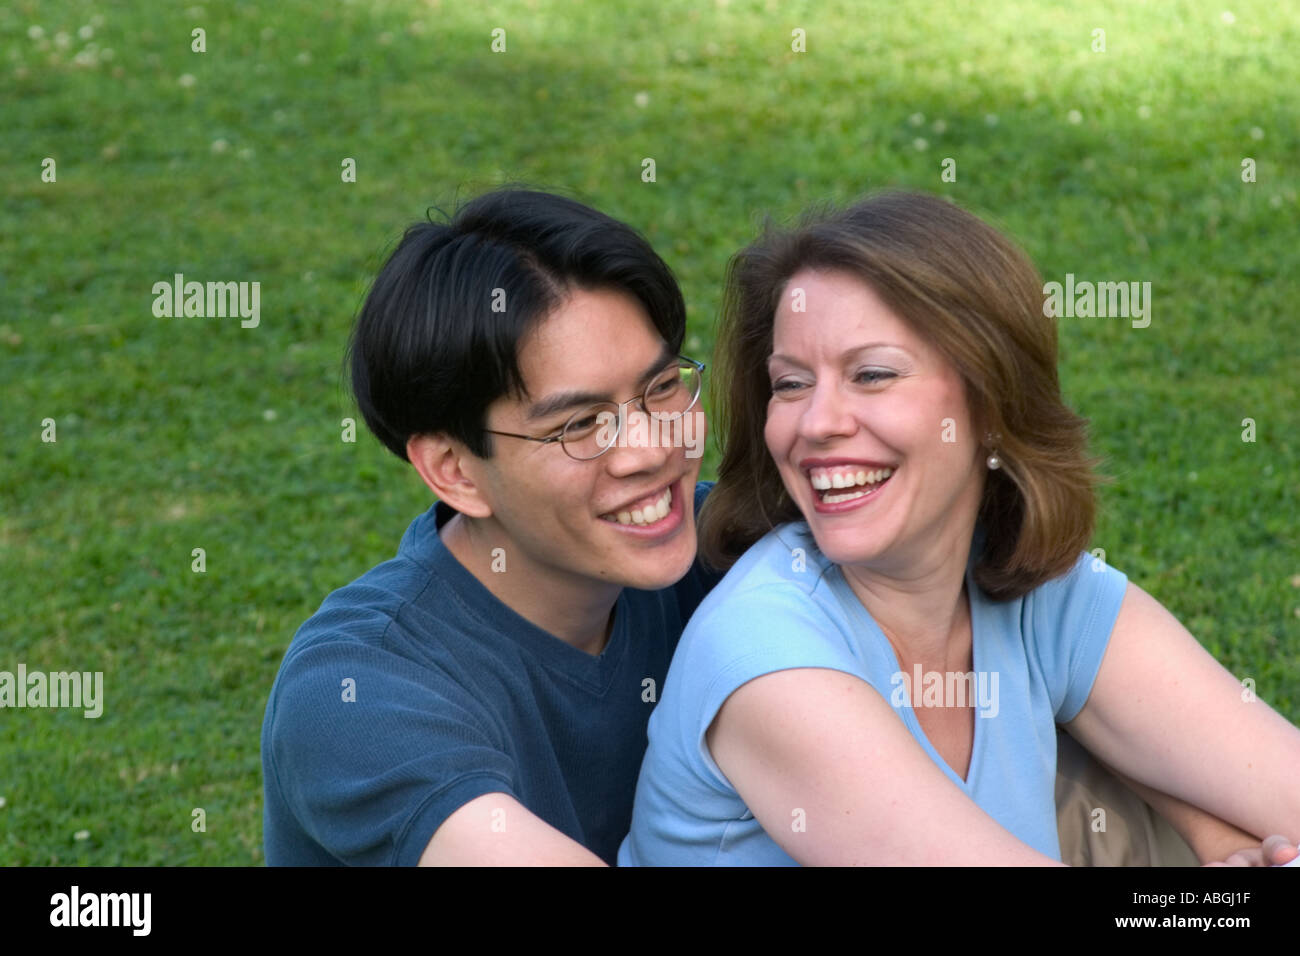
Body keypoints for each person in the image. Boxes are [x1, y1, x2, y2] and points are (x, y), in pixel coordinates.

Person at [619, 190, 1300, 866]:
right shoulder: (764, 648)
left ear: (990, 400)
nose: (818, 422)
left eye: (872, 374)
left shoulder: (1037, 594)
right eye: (791, 384)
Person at [260, 188, 716, 865]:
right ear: (455, 472)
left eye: (660, 387)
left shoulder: (724, 546)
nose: (652, 449)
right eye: (579, 425)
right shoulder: (356, 689)